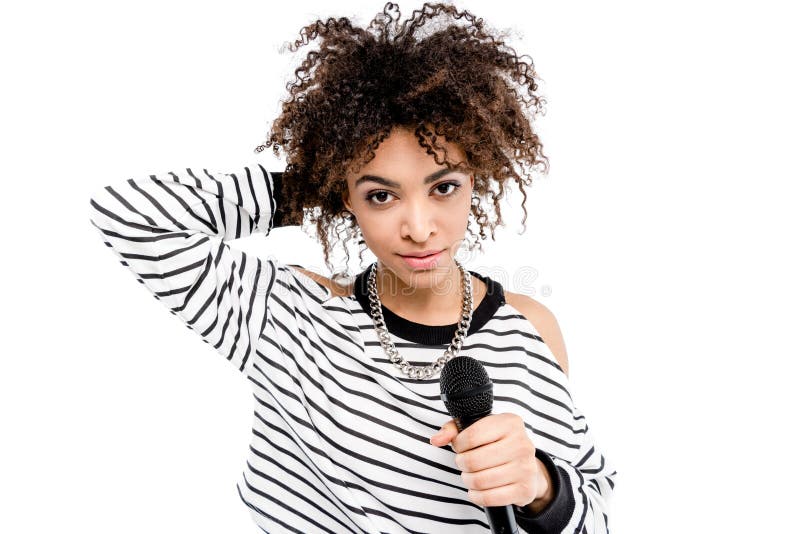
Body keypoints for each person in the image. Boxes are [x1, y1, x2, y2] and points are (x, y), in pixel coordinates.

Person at [88, 2, 617, 532]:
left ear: (475, 179)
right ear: (347, 199)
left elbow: (595, 513)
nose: (419, 228)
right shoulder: (291, 318)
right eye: (381, 195)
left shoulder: (530, 328)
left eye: (443, 187)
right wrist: (313, 184)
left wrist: (542, 489)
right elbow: (130, 215)